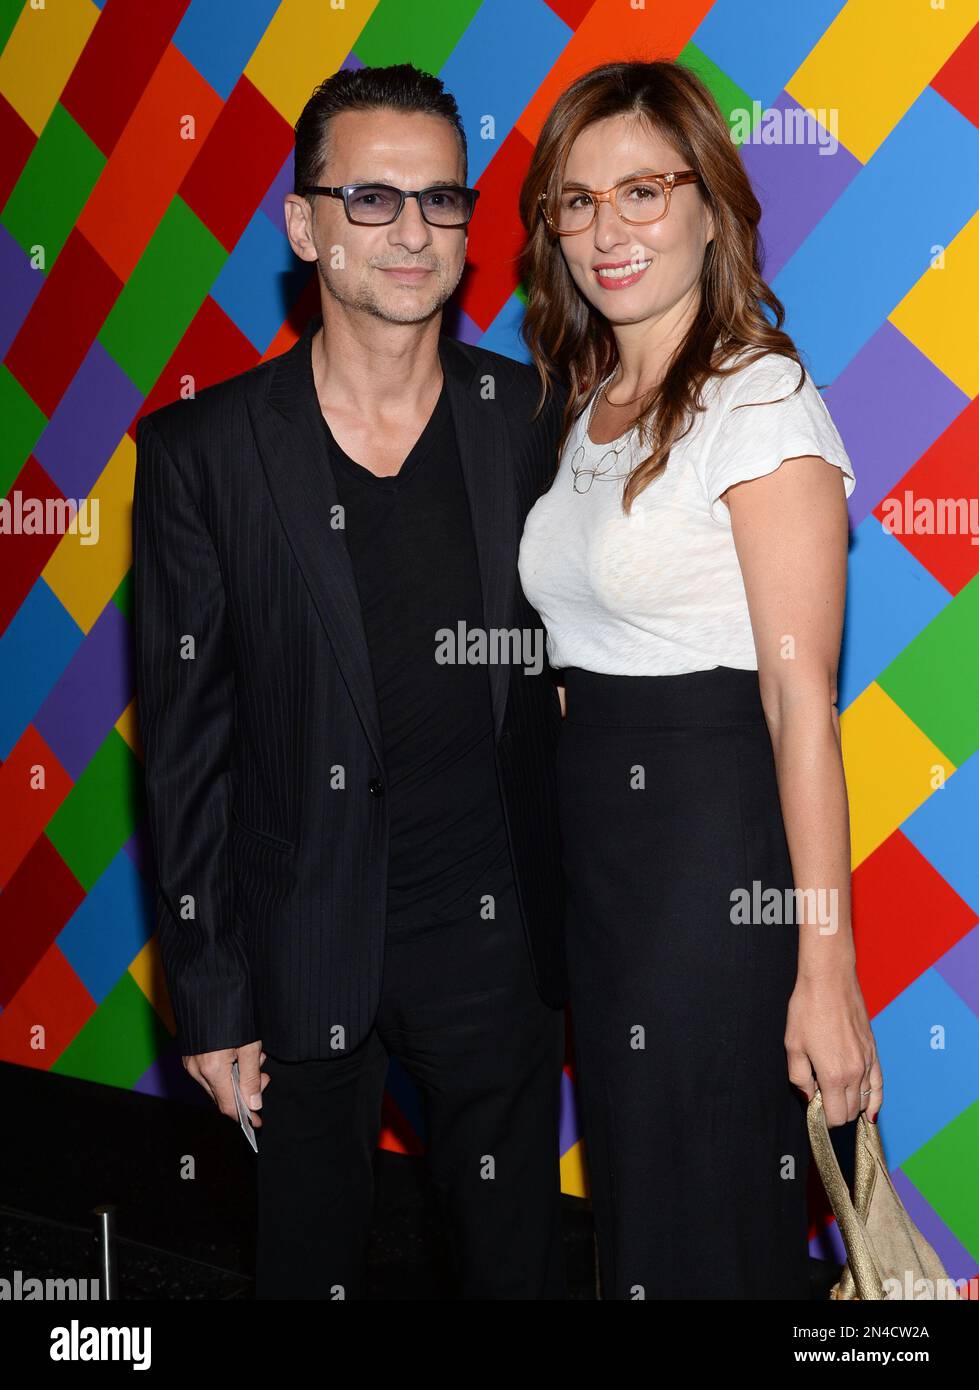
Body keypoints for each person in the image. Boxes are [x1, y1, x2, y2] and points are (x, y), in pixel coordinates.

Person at [132, 63, 569, 1300]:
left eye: (441, 200)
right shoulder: (203, 453)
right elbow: (186, 747)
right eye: (369, 200)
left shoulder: (532, 418)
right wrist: (209, 993)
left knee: (514, 1271)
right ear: (305, 225)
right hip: (302, 944)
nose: (412, 231)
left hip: (495, 957)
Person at [516, 59, 883, 1300]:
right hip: (605, 873)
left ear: (710, 207)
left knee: (707, 1213)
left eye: (640, 190)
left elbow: (797, 704)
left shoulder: (758, 398)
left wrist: (822, 972)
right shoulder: (590, 405)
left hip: (709, 867)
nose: (605, 230)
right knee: (641, 1200)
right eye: (574, 202)